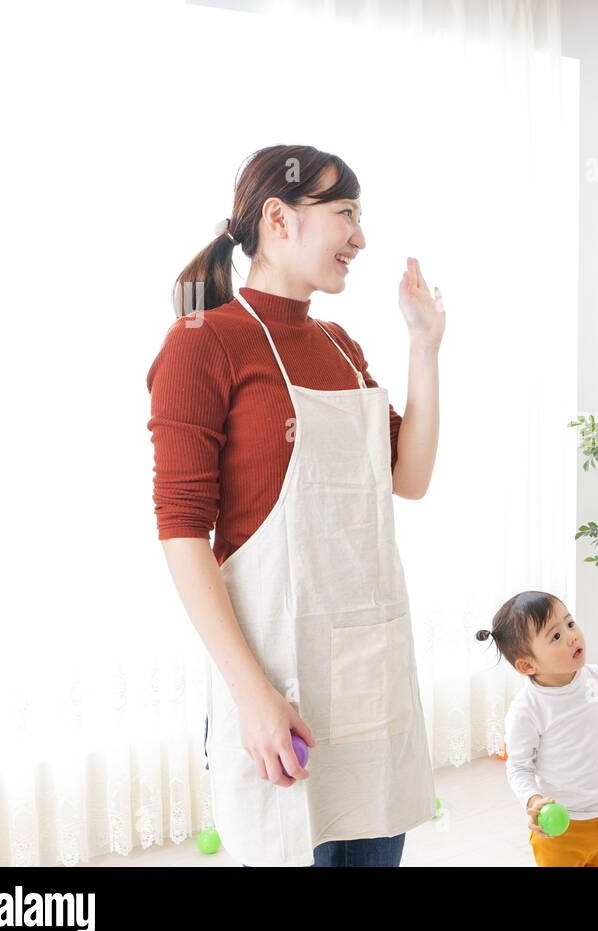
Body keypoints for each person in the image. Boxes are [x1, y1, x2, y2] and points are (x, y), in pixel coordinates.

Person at [148, 144, 445, 867]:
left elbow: (409, 478)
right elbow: (182, 531)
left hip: (370, 681)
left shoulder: (340, 345)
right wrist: (252, 695)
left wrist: (424, 346)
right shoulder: (203, 344)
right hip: (277, 682)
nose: (361, 238)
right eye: (345, 213)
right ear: (278, 218)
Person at [479, 591, 598, 866]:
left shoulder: (594, 679)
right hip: (560, 830)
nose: (572, 636)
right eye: (555, 636)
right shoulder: (527, 710)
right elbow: (519, 767)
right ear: (527, 664)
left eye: (570, 624)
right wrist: (533, 799)